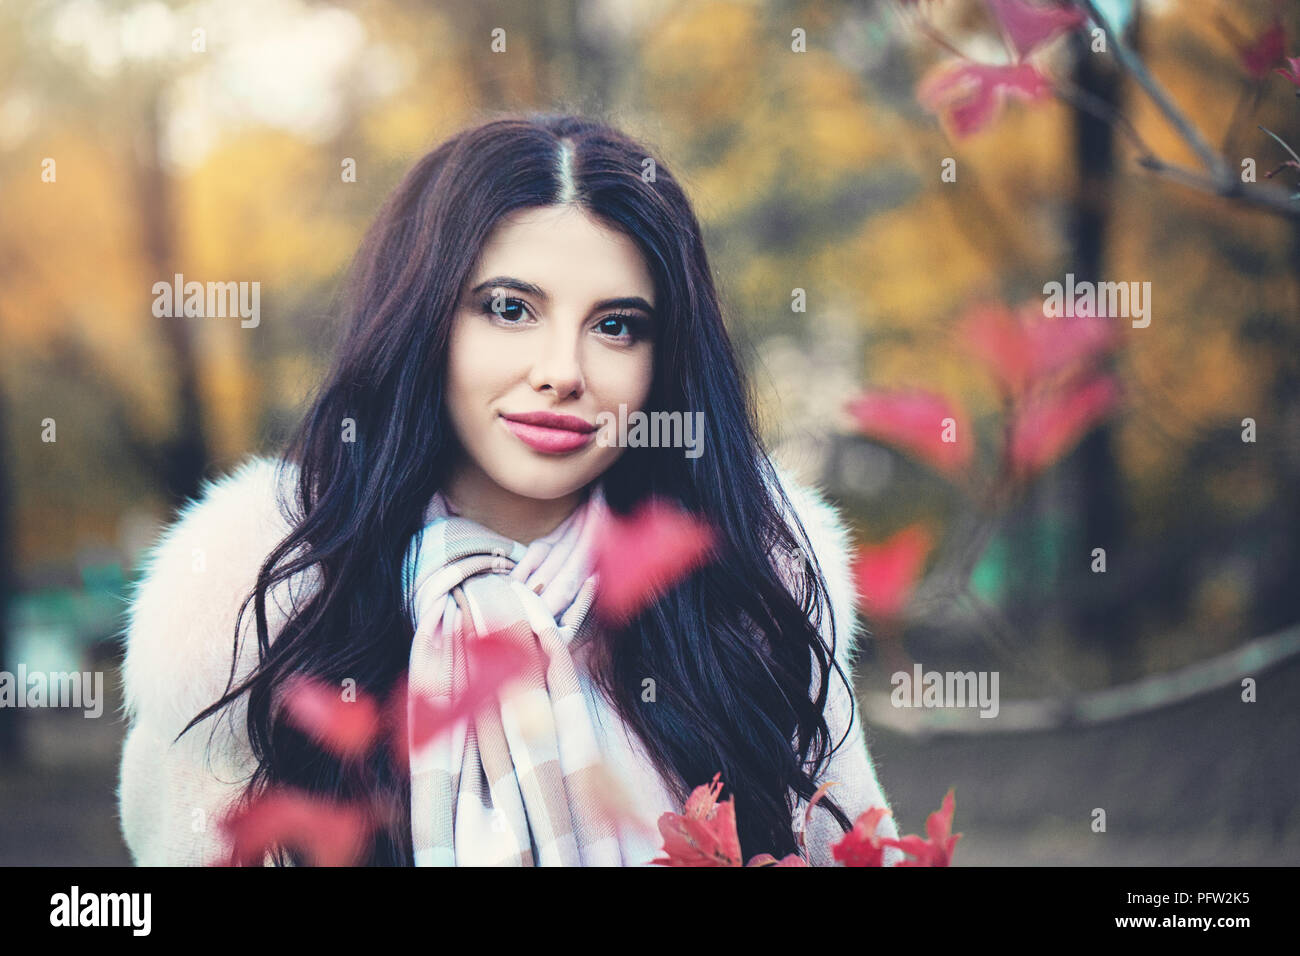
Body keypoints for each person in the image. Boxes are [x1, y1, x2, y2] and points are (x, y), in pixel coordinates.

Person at [116, 113, 902, 866]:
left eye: (617, 325)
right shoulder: (262, 606)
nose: (563, 369)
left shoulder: (751, 589)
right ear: (423, 320)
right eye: (509, 308)